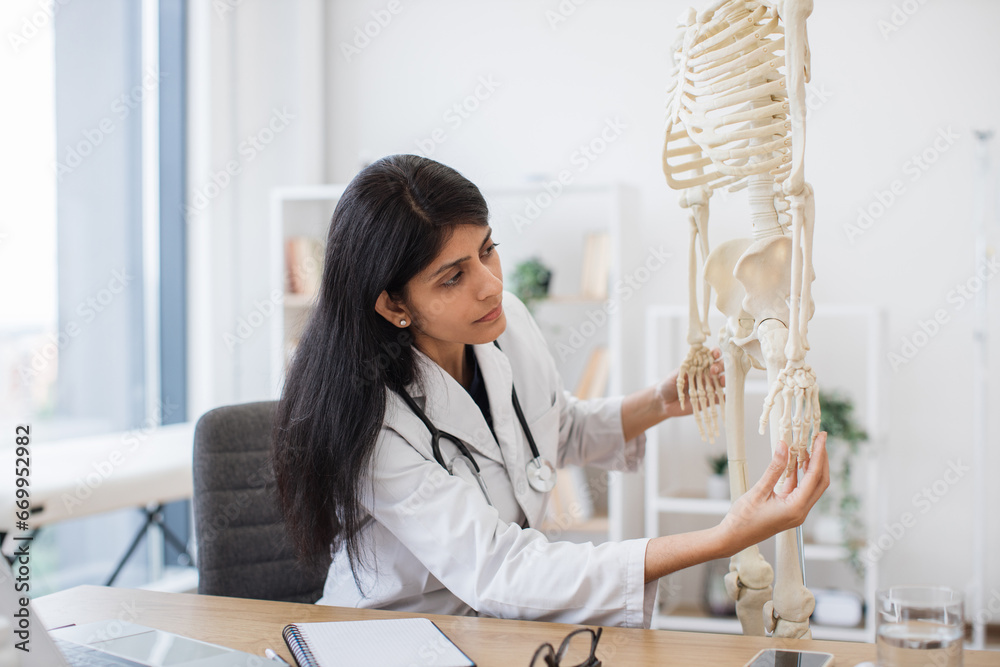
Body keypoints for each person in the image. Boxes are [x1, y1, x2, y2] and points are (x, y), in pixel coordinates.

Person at [271, 154, 829, 629]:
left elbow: (552, 432)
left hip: (486, 628)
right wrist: (722, 538)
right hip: (389, 635)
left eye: (487, 250)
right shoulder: (373, 421)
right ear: (394, 305)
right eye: (453, 276)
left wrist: (661, 401)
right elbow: (500, 570)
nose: (491, 284)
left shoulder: (499, 319)